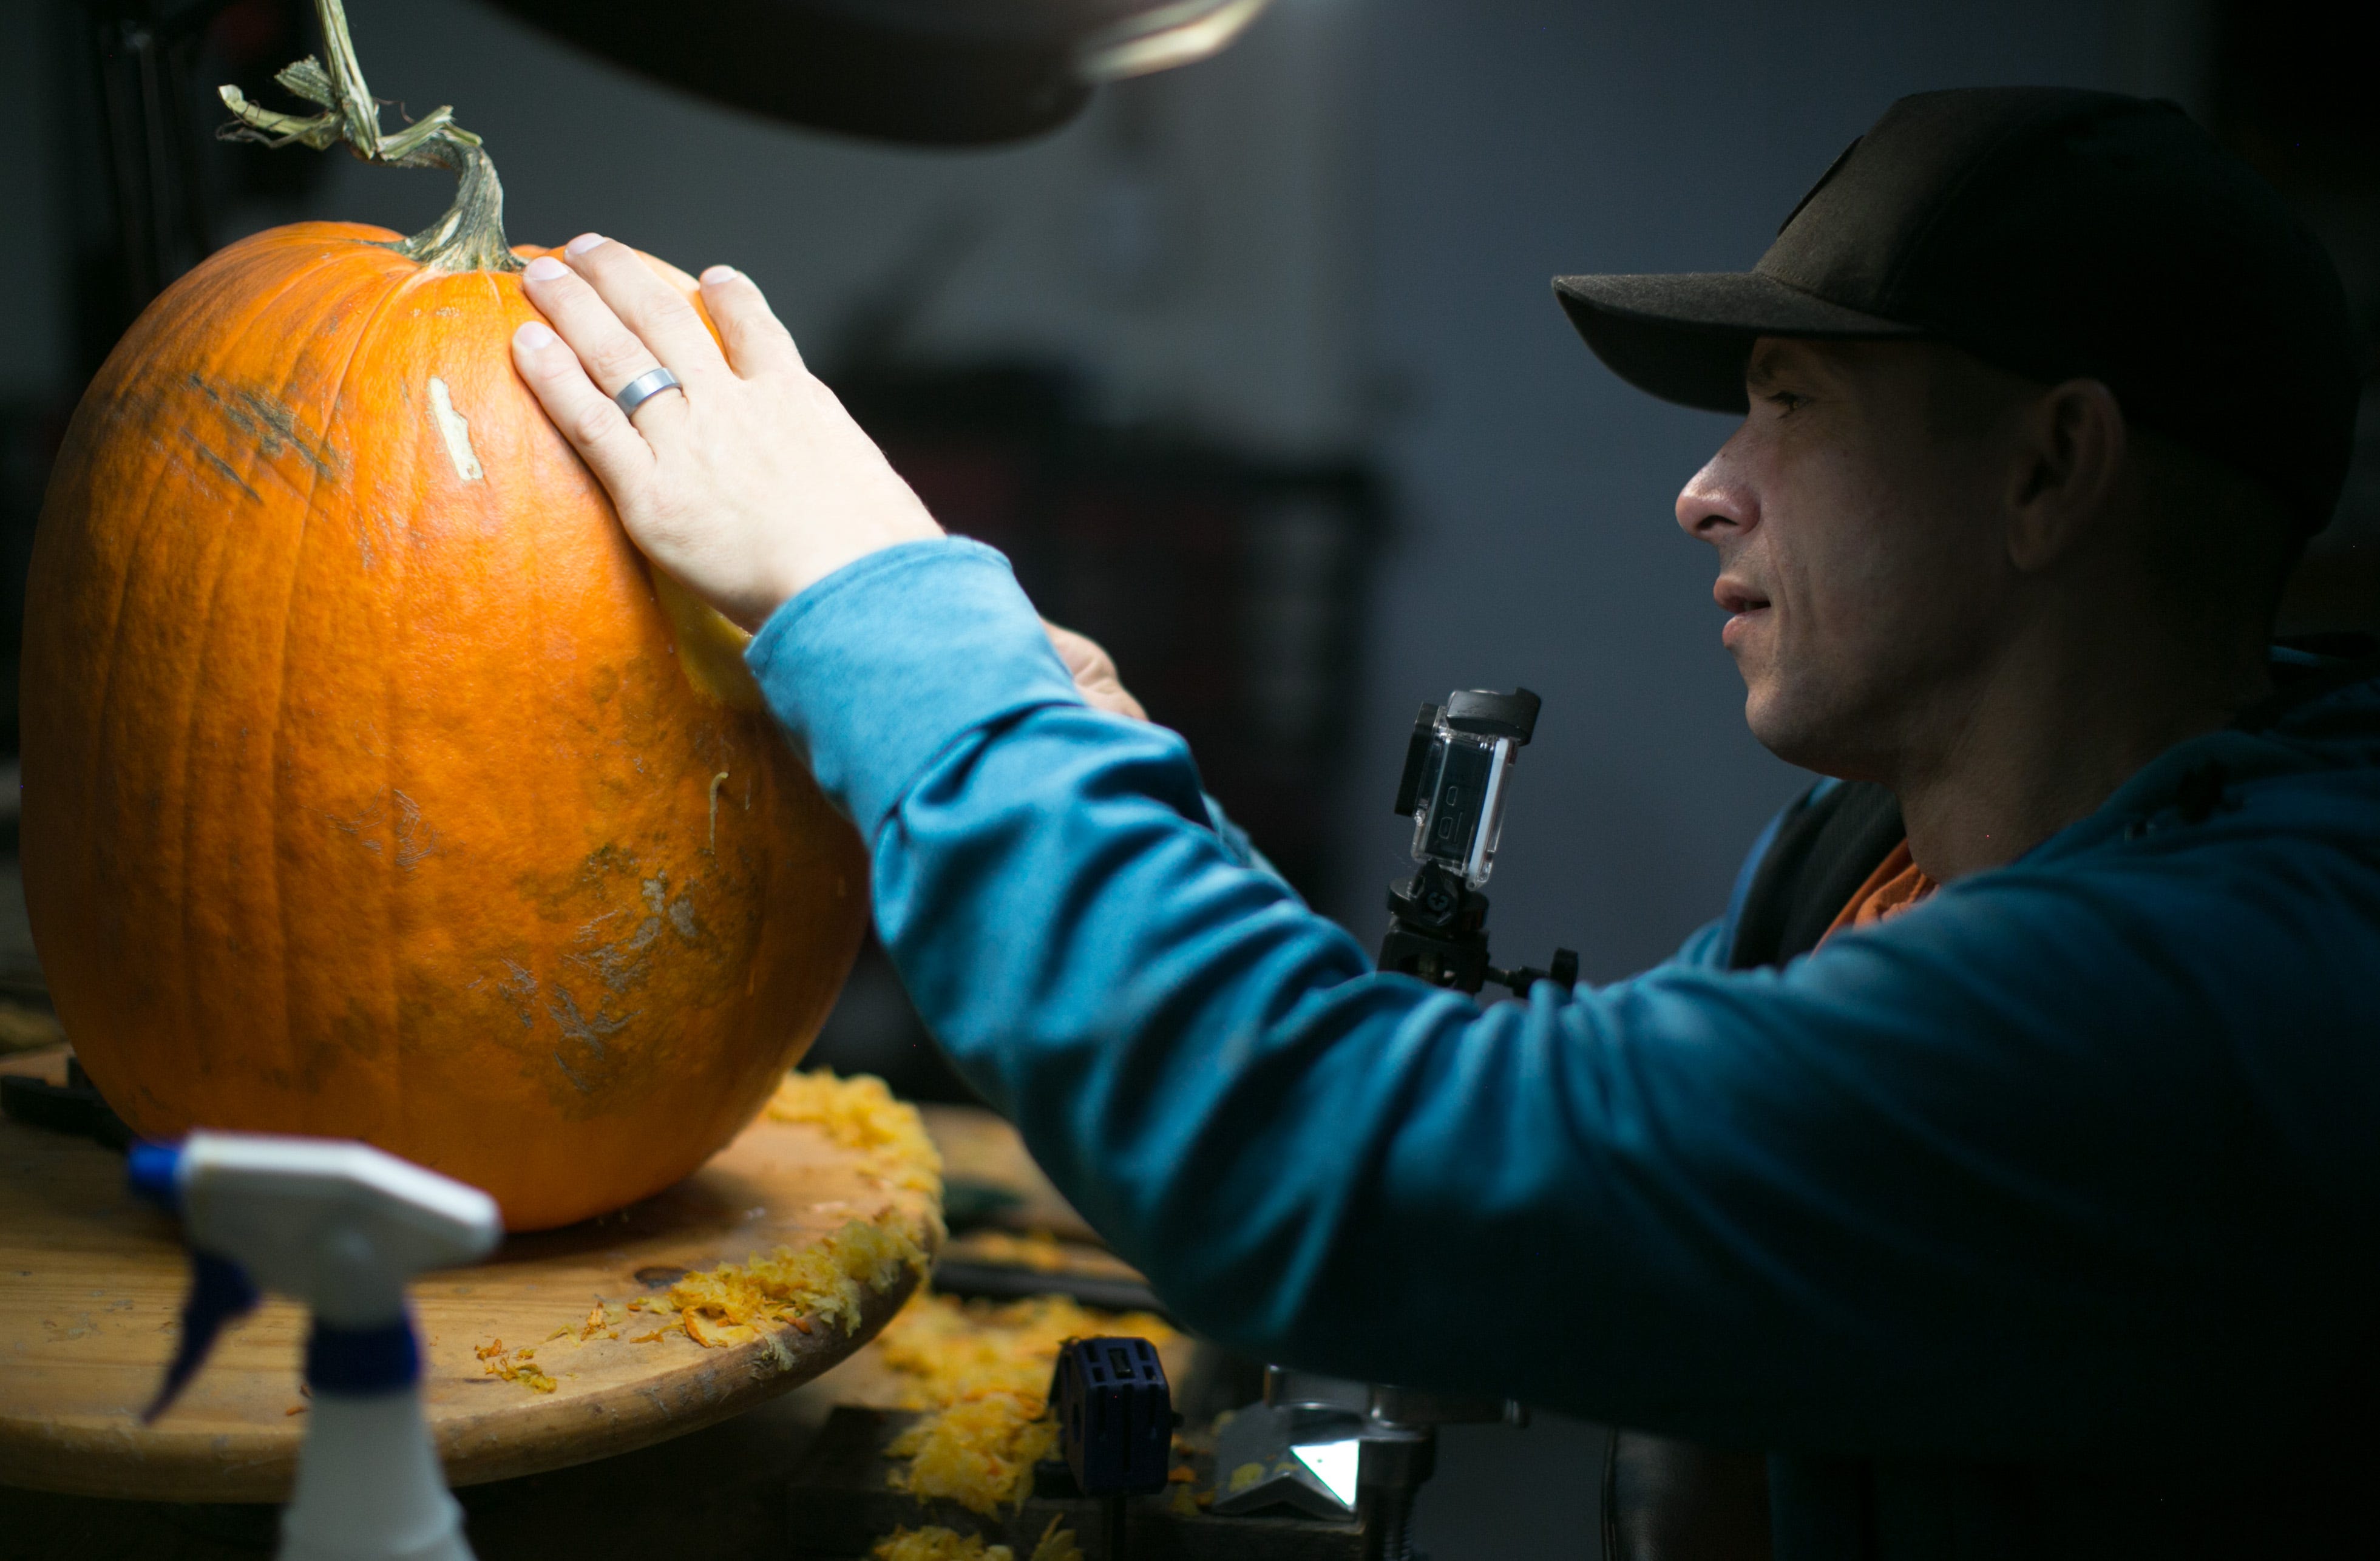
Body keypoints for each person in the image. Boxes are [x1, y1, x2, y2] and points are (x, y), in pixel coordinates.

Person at [506, 87, 2379, 1559]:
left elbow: (1325, 1158)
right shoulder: (1860, 862)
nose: (1703, 493)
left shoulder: (2206, 1012)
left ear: (2048, 470)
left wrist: (878, 592)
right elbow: (1512, 1170)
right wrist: (1094, 752)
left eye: (1788, 405)